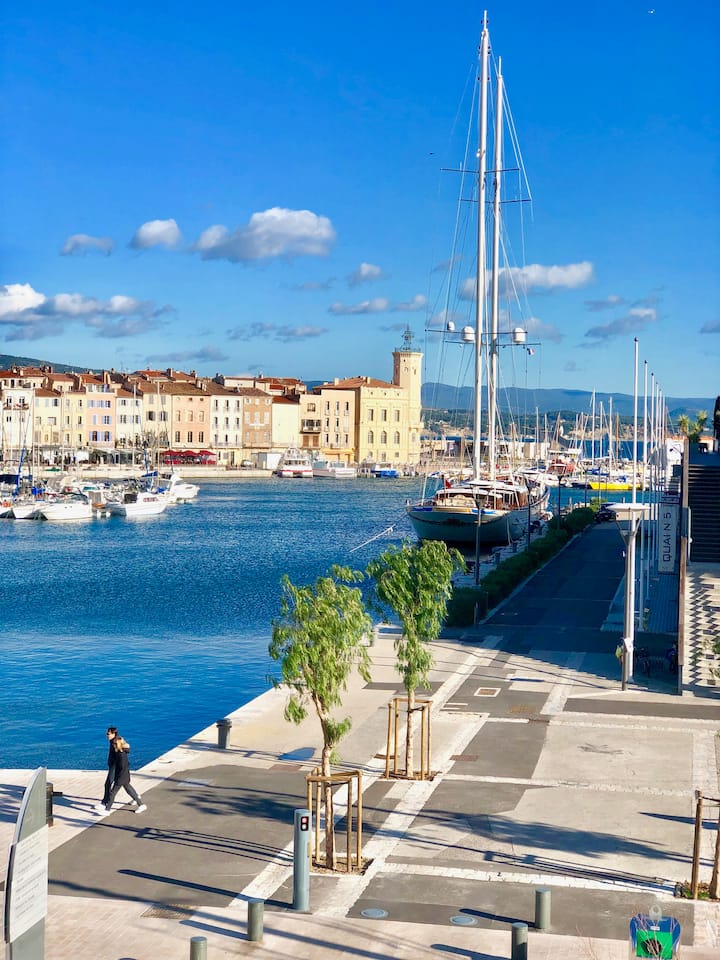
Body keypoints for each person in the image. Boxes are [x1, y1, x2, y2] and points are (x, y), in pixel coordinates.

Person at [103, 735, 146, 813]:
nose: (113, 746)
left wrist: (118, 777)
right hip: (124, 776)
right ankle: (141, 804)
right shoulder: (120, 752)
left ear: (118, 745)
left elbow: (122, 767)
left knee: (113, 793)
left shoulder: (121, 754)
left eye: (115, 744)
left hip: (121, 776)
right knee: (128, 790)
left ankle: (107, 810)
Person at [95, 726, 118, 812]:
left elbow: (119, 754)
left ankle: (105, 802)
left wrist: (114, 764)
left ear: (113, 734)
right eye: (107, 733)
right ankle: (136, 798)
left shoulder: (115, 742)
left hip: (114, 766)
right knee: (125, 784)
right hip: (113, 765)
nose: (107, 735)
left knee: (108, 784)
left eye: (108, 734)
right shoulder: (112, 741)